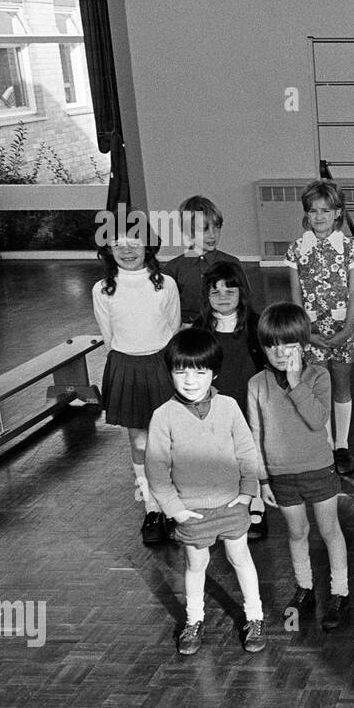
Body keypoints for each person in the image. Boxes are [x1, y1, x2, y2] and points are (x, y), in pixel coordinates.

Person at [145, 328, 265, 655]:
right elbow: (155, 470)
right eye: (181, 371)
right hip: (191, 512)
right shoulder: (163, 417)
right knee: (196, 566)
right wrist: (175, 510)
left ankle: (254, 616)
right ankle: (194, 620)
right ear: (170, 373)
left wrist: (247, 491)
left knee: (241, 559)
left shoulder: (228, 407)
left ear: (214, 373)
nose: (190, 380)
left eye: (200, 371)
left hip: (232, 506)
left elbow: (246, 452)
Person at [248, 302, 352, 631]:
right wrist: (262, 480)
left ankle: (340, 590)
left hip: (318, 469)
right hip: (281, 475)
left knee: (330, 530)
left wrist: (296, 383)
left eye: (288, 344)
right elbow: (255, 434)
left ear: (303, 343)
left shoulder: (318, 376)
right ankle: (304, 587)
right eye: (271, 344)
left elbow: (318, 419)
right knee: (296, 532)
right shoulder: (257, 384)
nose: (279, 352)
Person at [91, 236, 181, 544]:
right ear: (107, 250)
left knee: (170, 439)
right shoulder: (103, 289)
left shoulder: (165, 284)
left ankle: (174, 505)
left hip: (161, 365)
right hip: (126, 365)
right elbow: (108, 335)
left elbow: (173, 326)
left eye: (135, 243)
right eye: (118, 244)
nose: (127, 251)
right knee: (140, 442)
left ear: (149, 247)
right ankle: (151, 508)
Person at [285, 179, 354, 476]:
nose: (319, 216)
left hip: (342, 328)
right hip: (311, 330)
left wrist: (348, 329)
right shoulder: (297, 249)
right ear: (306, 214)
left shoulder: (350, 248)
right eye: (313, 210)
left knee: (341, 385)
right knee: (317, 387)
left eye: (326, 210)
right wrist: (306, 332)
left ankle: (342, 445)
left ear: (338, 213)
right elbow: (296, 293)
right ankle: (325, 442)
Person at [195, 261, 268, 538]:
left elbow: (267, 363)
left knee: (250, 454)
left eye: (229, 291)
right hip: (215, 405)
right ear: (206, 296)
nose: (223, 298)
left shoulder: (255, 324)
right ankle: (224, 506)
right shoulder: (201, 327)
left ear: (242, 292)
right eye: (215, 292)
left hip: (249, 403)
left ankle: (255, 504)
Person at [163, 196, 248, 327]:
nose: (212, 235)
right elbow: (167, 308)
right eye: (204, 229)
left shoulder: (232, 263)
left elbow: (245, 301)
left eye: (217, 227)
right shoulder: (174, 268)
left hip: (224, 326)